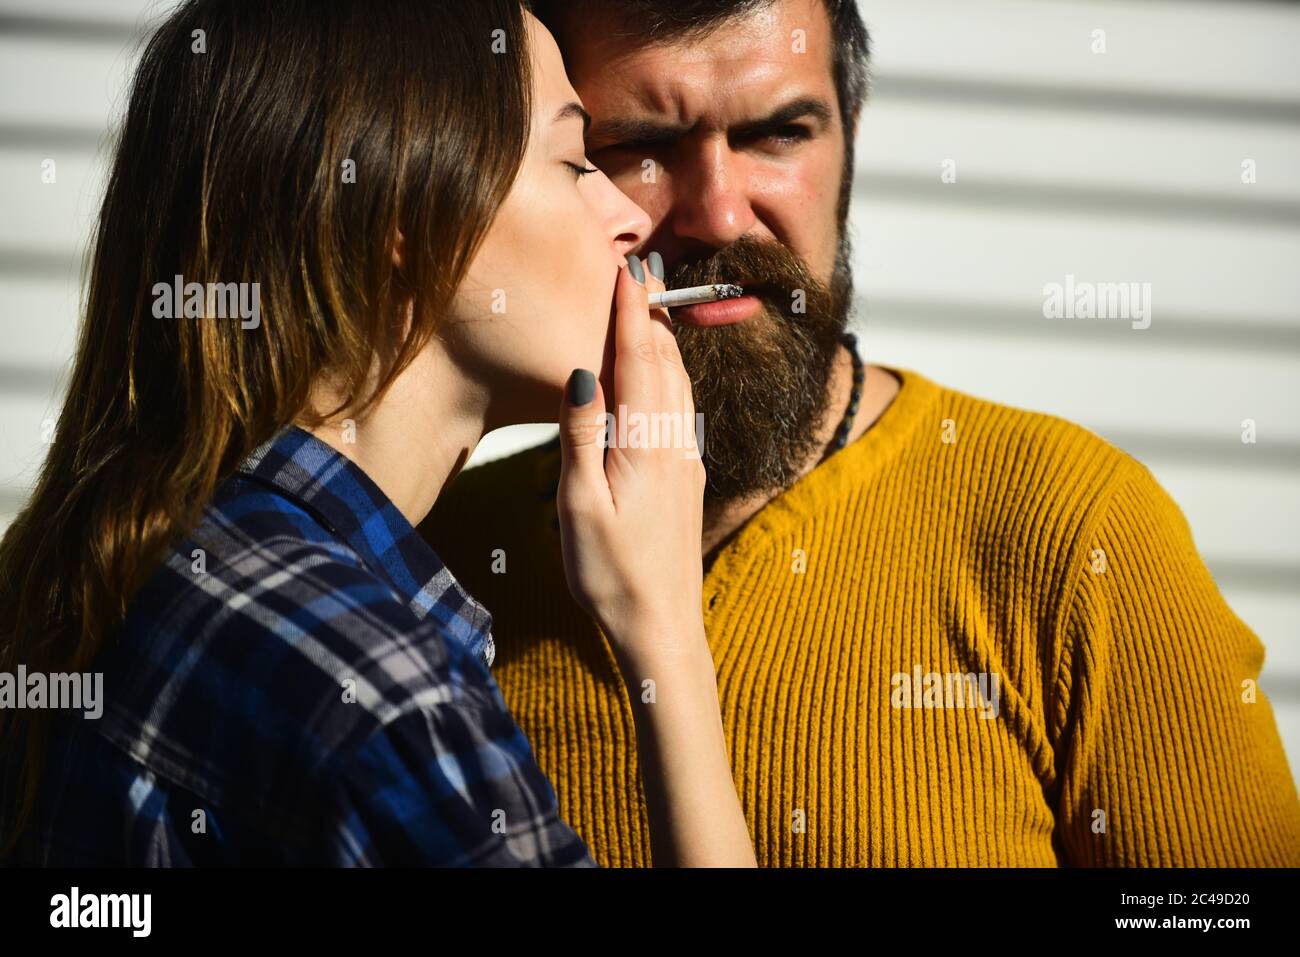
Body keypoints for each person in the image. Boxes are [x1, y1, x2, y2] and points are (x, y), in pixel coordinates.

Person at [421, 0, 1300, 866]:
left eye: (777, 133)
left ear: (850, 138)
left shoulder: (1077, 535)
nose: (720, 214)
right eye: (640, 147)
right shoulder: (434, 564)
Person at [0, 0, 755, 867]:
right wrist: (665, 629)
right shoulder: (386, 698)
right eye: (574, 161)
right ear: (407, 212)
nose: (631, 218)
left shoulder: (115, 573)